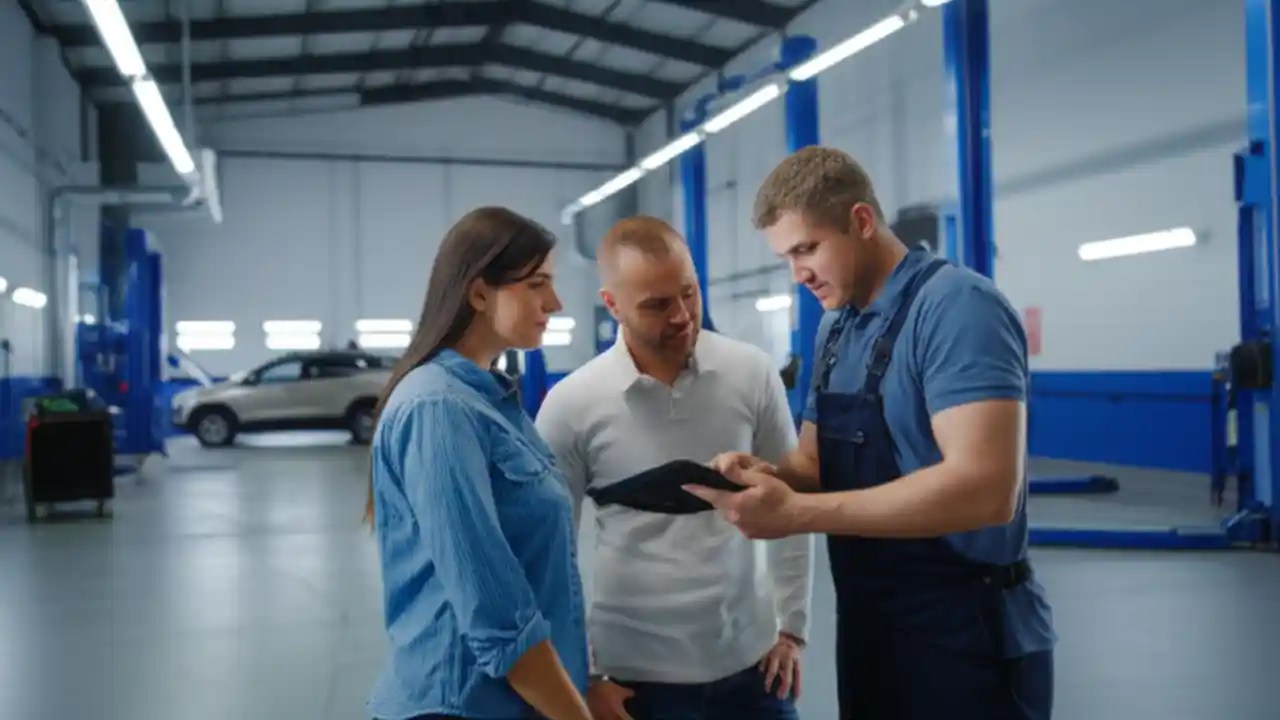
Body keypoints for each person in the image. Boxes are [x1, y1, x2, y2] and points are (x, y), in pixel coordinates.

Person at [686, 147, 1057, 719]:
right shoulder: (836, 328)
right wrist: (765, 475)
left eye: (807, 249)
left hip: (967, 635)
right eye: (786, 257)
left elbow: (986, 490)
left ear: (860, 221)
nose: (798, 274)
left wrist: (796, 515)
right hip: (873, 628)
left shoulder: (958, 308)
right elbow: (815, 466)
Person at [535, 216, 814, 720]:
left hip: (753, 669)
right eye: (657, 305)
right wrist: (585, 676)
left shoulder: (751, 372)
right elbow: (550, 556)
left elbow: (792, 506)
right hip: (636, 680)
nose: (682, 316)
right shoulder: (571, 405)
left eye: (689, 292)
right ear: (613, 304)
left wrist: (792, 629)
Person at [363, 206, 593, 720]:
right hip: (463, 705)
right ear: (479, 293)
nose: (554, 303)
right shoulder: (439, 408)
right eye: (536, 284)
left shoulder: (487, 400)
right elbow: (497, 614)